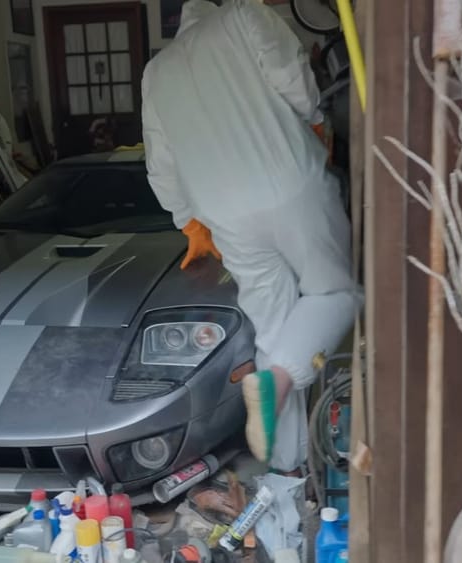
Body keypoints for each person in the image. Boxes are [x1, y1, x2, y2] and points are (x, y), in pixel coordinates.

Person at [141, 0, 359, 472]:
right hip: (289, 184)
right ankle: (278, 379)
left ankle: (287, 465)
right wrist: (316, 121)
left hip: (223, 213)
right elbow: (293, 79)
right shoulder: (244, 16)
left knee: (272, 324)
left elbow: (161, 165)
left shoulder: (157, 70)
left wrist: (190, 223)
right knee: (336, 290)